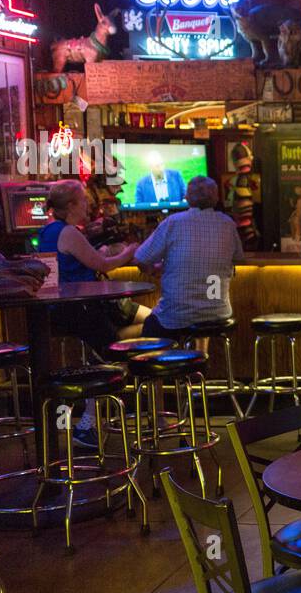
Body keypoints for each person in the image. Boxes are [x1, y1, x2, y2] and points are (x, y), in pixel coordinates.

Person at [37, 180, 146, 447]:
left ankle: (111, 389)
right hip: (81, 310)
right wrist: (131, 251)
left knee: (149, 320)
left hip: (68, 309)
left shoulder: (49, 231)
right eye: (84, 200)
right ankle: (87, 425)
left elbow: (80, 263)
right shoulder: (69, 232)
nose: (88, 204)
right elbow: (101, 264)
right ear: (72, 205)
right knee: (120, 351)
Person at [135, 177, 243, 339]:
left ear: (186, 197)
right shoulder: (228, 224)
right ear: (216, 198)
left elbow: (140, 258)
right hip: (218, 314)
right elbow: (239, 257)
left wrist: (153, 271)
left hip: (177, 316)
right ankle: (199, 359)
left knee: (151, 326)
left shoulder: (172, 222)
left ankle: (172, 363)